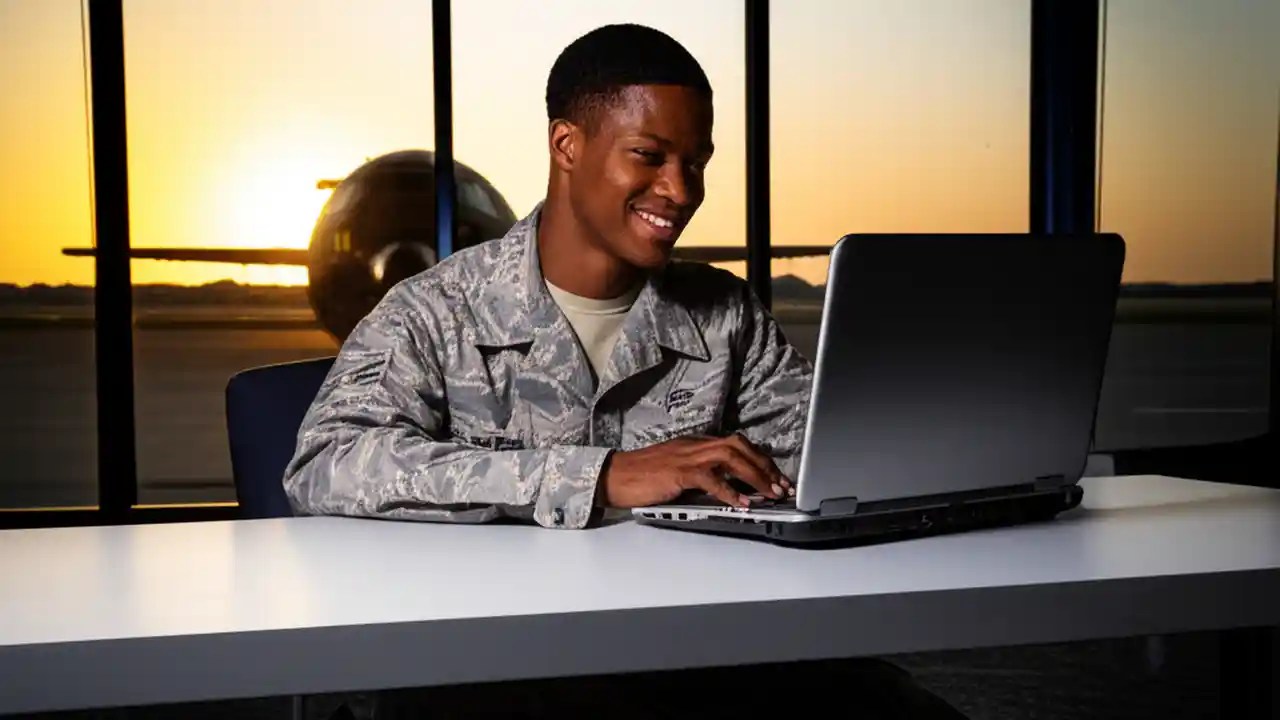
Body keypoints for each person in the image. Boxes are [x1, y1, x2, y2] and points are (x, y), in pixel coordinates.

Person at [284, 23, 966, 720]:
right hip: (493, 664)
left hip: (689, 657)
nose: (680, 190)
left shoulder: (726, 315)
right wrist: (602, 475)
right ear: (567, 146)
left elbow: (825, 457)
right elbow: (326, 463)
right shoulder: (434, 311)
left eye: (696, 163)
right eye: (649, 155)